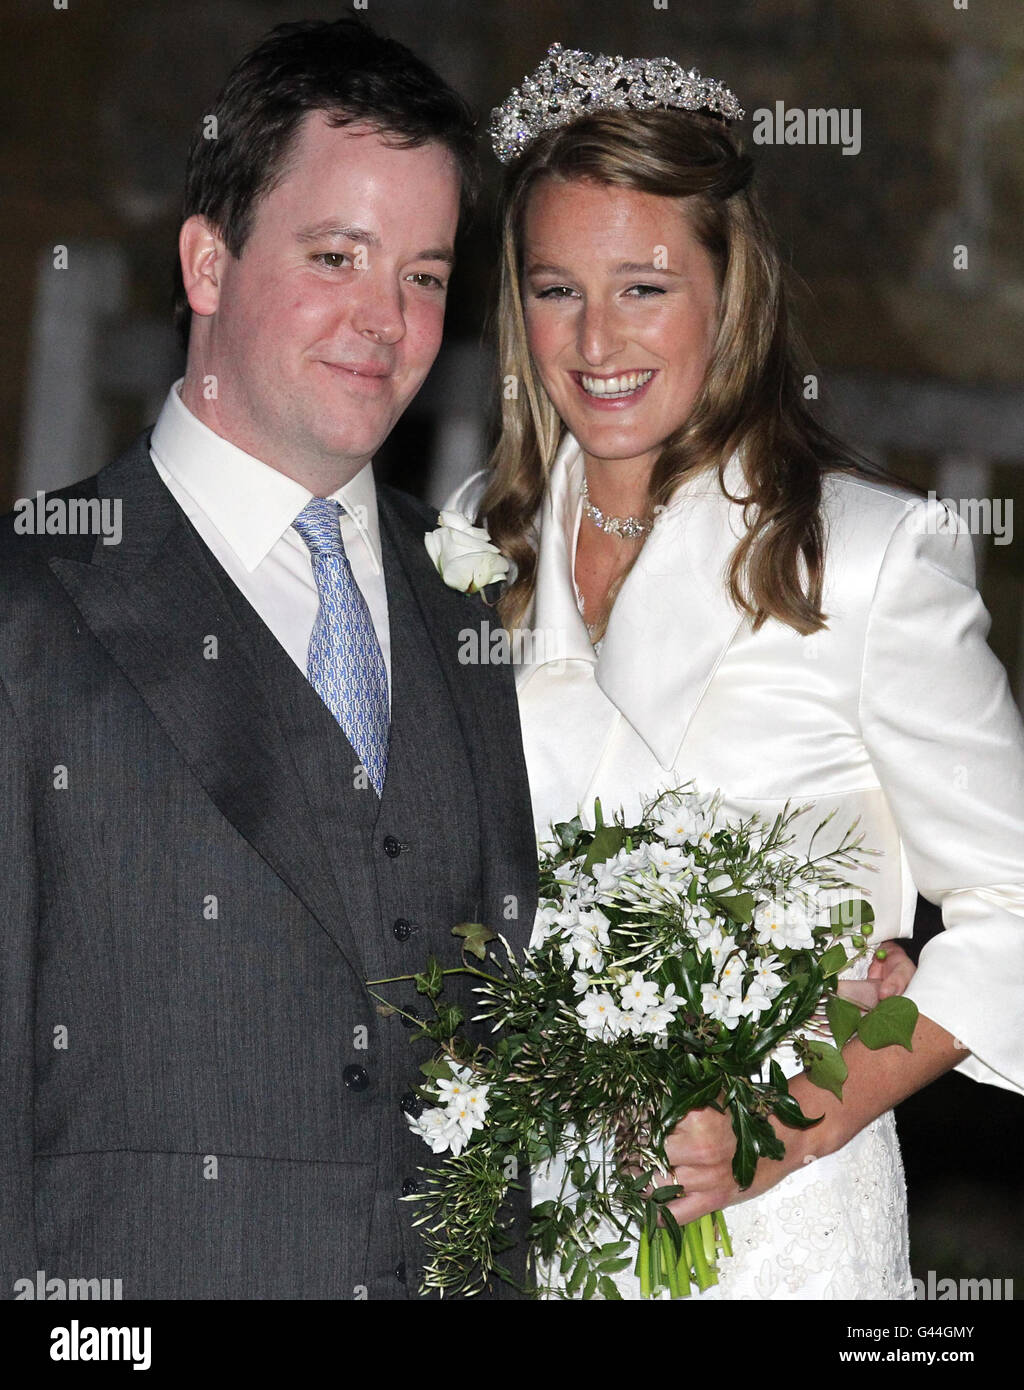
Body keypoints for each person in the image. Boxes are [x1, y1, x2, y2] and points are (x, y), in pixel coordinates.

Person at [449, 44, 1024, 1298]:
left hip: (780, 1237)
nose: (595, 339)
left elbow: (1014, 909)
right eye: (556, 289)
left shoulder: (863, 556)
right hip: (517, 1228)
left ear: (731, 292)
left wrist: (781, 1129)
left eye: (644, 286)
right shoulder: (467, 555)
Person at [0, 17, 536, 1300]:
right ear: (206, 261)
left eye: (420, 275)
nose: (383, 319)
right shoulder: (29, 604)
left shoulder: (473, 599)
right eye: (335, 256)